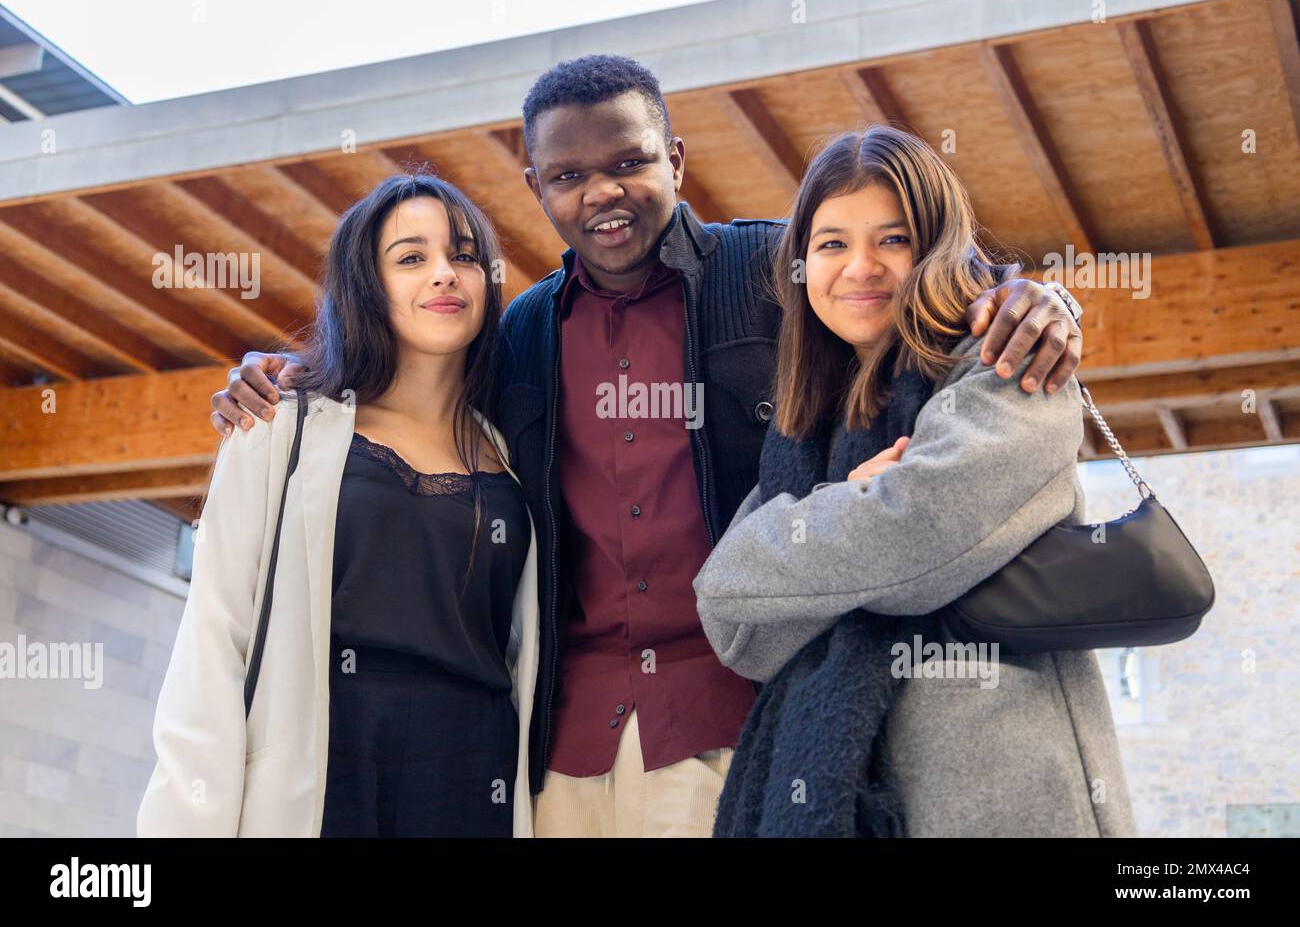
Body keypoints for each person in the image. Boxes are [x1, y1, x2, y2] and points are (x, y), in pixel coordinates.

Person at [205, 55, 1084, 837]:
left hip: (737, 728)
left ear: (674, 160)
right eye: (570, 174)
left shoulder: (774, 274)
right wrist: (296, 376)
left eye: (628, 162)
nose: (602, 191)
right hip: (562, 753)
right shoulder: (516, 334)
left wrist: (1033, 299)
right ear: (537, 185)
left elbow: (906, 301)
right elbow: (408, 386)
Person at [692, 126, 1135, 837]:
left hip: (995, 794)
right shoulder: (807, 429)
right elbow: (732, 618)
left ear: (934, 248)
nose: (859, 266)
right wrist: (847, 503)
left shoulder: (1011, 363)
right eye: (832, 243)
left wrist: (796, 535)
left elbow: (919, 528)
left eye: (892, 240)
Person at [138, 174, 540, 837]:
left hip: (476, 784)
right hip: (325, 774)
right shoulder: (277, 425)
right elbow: (215, 641)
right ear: (368, 287)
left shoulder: (514, 454)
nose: (445, 274)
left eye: (463, 255)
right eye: (412, 258)